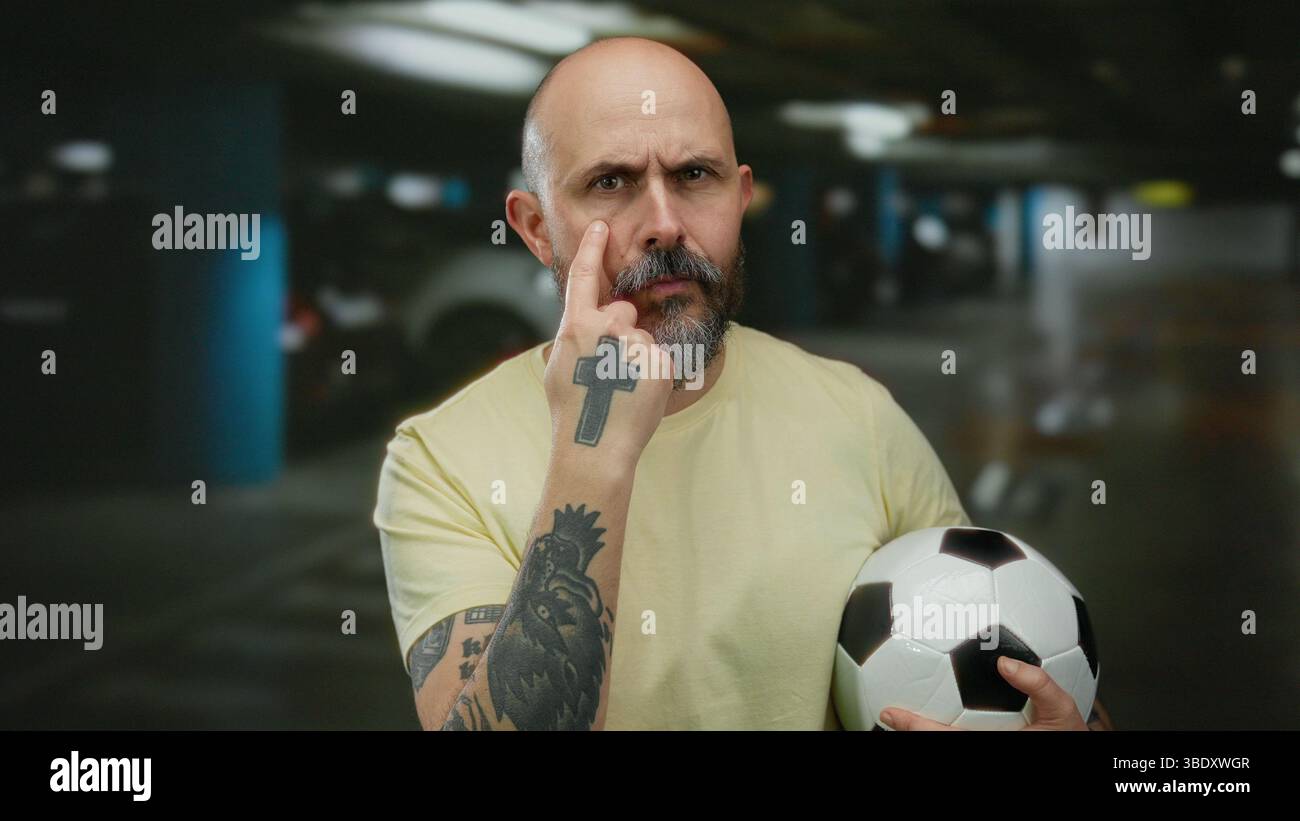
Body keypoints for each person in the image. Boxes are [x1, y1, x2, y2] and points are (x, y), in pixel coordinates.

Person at [373, 36, 1110, 731]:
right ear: (535, 228)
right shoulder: (438, 462)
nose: (663, 223)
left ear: (740, 194)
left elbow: (1031, 682)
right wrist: (593, 447)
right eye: (610, 182)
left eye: (695, 176)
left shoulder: (858, 416)